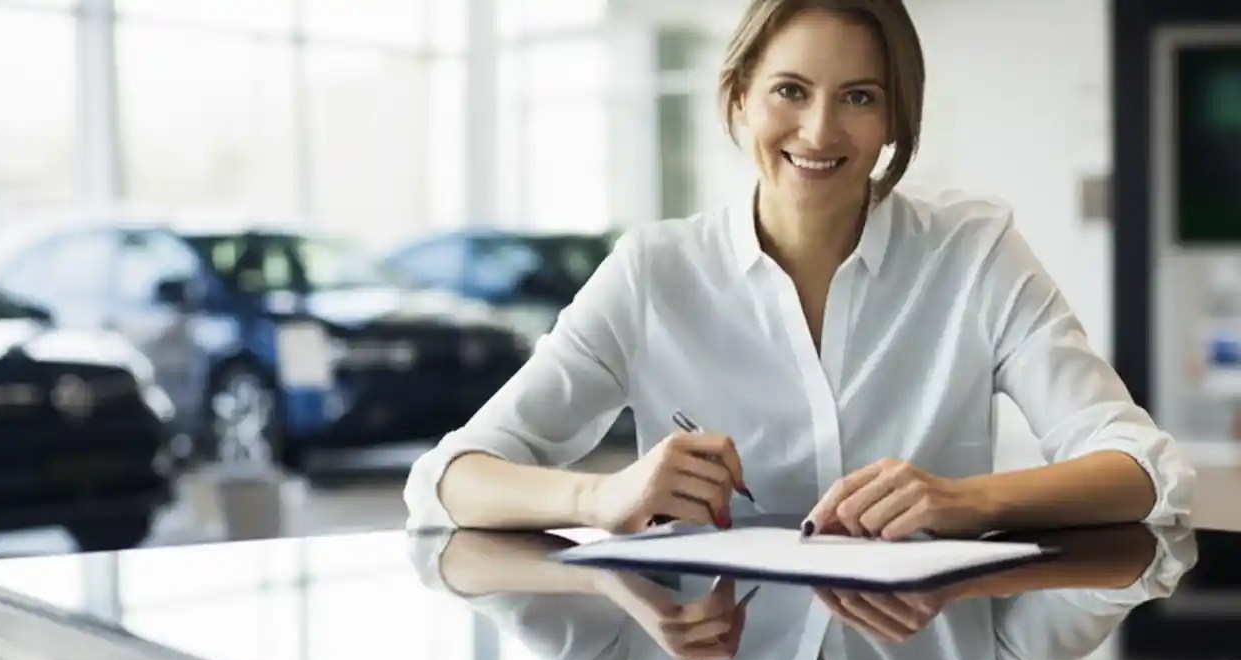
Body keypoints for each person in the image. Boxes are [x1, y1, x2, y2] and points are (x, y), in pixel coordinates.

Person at [405, 0, 1194, 539]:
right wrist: (599, 495)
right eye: (790, 90)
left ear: (893, 119)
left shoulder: (973, 256)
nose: (820, 130)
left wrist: (963, 501)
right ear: (740, 97)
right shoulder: (654, 272)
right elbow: (447, 479)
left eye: (858, 96)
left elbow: (1143, 467)